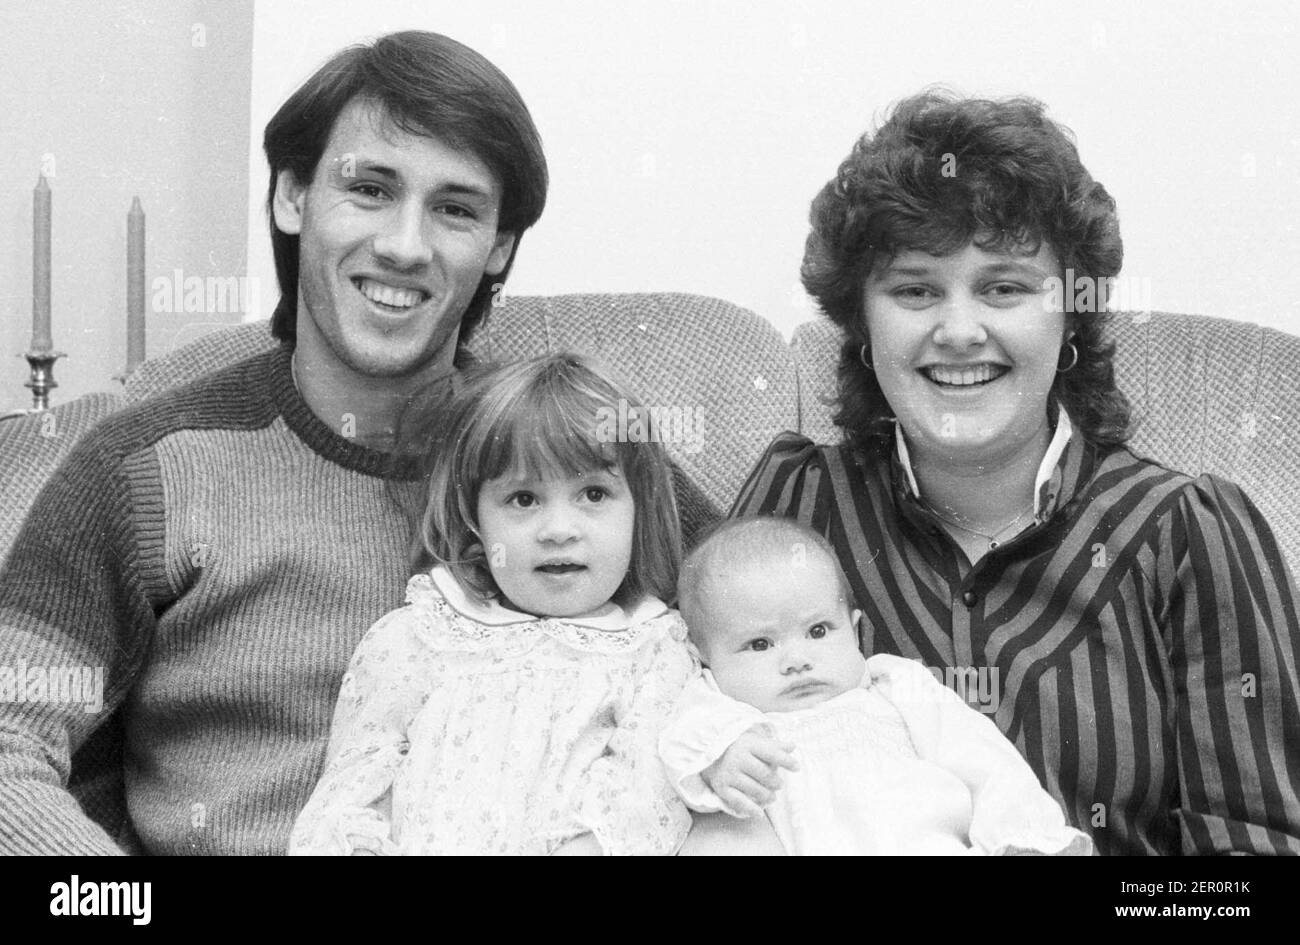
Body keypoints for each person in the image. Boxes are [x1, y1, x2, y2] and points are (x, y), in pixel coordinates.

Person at [0, 31, 548, 854]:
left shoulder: (569, 456)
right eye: (369, 188)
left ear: (499, 245)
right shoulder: (147, 470)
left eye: (456, 209)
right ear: (293, 197)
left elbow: (776, 626)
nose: (405, 244)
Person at [732, 90, 1300, 855]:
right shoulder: (794, 505)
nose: (960, 330)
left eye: (1005, 287)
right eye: (914, 289)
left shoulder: (1188, 533)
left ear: (1071, 315)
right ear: (861, 322)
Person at [289, 354, 693, 855]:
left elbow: (646, 802)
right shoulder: (420, 635)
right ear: (475, 518)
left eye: (593, 493)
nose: (560, 530)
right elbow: (351, 784)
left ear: (640, 507)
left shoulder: (653, 651)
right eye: (524, 499)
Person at [660, 517, 1091, 856]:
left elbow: (986, 761)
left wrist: (1020, 840)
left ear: (855, 630)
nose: (797, 660)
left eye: (818, 631)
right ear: (704, 657)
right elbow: (682, 749)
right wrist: (721, 761)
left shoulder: (895, 684)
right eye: (759, 644)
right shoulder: (721, 713)